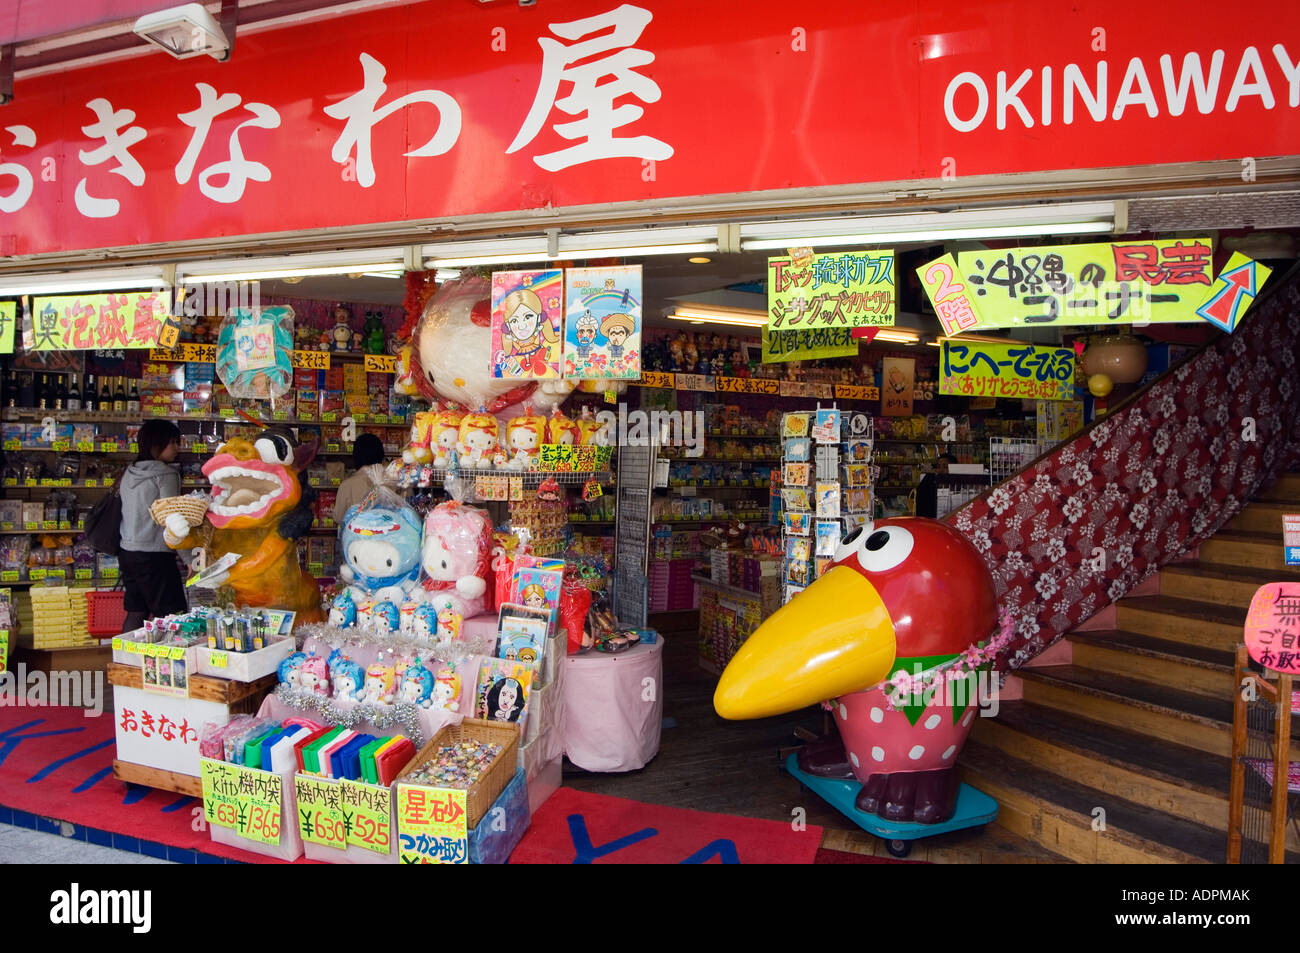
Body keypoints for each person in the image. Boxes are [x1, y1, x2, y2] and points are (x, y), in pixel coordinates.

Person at [119, 419, 188, 632]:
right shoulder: (166, 475)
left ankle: (125, 660)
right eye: (173, 443)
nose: (177, 448)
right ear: (157, 444)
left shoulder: (129, 472)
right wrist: (189, 558)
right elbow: (173, 519)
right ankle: (171, 663)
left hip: (128, 552)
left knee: (137, 610)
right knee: (172, 614)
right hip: (155, 555)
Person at [334, 432, 386, 523]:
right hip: (391, 535)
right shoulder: (395, 480)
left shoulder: (347, 485)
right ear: (381, 454)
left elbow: (339, 518)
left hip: (357, 535)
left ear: (356, 456)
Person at [913, 453, 956, 519]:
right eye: (938, 467)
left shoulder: (958, 485)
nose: (940, 470)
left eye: (945, 467)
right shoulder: (930, 481)